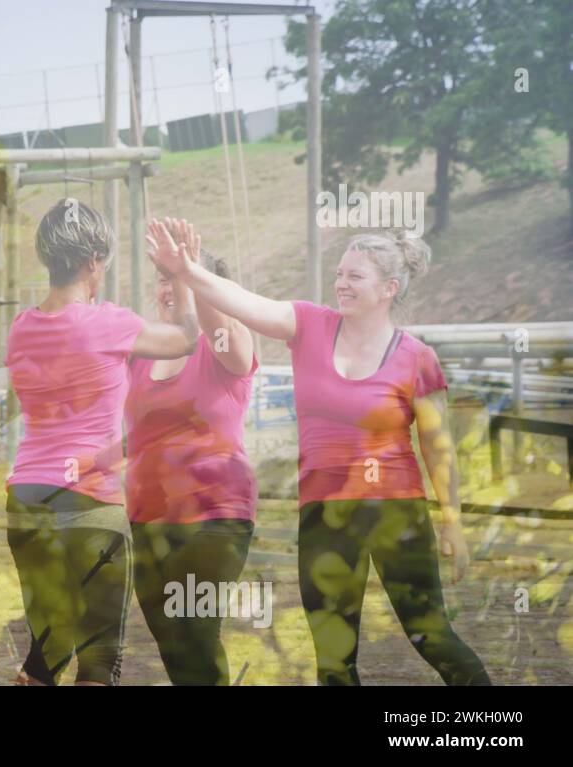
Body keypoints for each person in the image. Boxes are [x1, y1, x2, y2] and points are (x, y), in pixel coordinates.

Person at [150, 220, 491, 686]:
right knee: (333, 657)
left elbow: (438, 447)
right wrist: (187, 270)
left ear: (389, 288)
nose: (341, 284)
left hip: (396, 511)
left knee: (429, 635)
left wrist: (451, 520)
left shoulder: (417, 357)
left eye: (355, 276)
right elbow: (245, 304)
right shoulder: (308, 324)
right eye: (339, 273)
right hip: (324, 515)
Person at [3, 200, 199, 685]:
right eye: (104, 263)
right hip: (90, 502)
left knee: (46, 651)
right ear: (93, 261)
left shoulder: (20, 329)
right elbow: (187, 339)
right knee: (98, 659)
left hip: (27, 499)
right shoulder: (109, 322)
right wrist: (180, 275)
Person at [125, 221, 258, 685]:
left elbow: (220, 332)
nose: (168, 287)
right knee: (175, 647)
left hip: (214, 513)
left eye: (177, 277)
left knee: (195, 631)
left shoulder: (225, 344)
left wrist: (191, 272)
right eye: (163, 277)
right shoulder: (141, 354)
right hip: (148, 517)